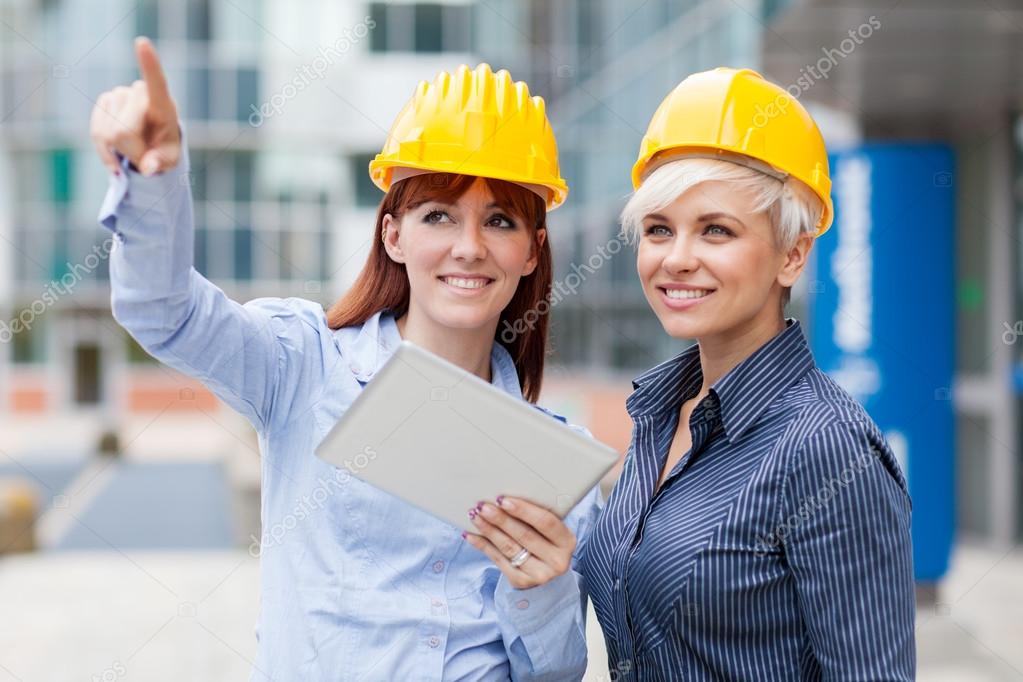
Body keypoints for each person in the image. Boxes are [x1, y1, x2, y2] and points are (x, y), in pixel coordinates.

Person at [91, 37, 600, 681]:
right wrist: (153, 183)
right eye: (439, 215)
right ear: (393, 234)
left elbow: (554, 675)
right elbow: (166, 313)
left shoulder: (557, 471)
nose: (469, 247)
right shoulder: (302, 365)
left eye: (500, 221)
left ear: (532, 250)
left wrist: (544, 590)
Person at [579, 67, 915, 680]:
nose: (677, 259)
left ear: (793, 253)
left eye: (716, 230)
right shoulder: (659, 416)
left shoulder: (828, 449)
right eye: (659, 229)